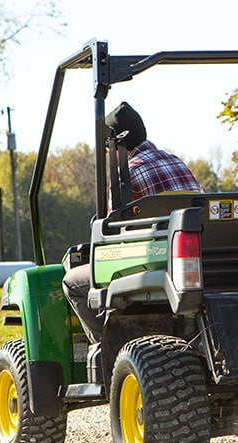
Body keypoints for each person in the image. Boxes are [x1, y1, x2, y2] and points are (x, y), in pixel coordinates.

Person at [64, 102, 202, 343]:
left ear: (117, 144)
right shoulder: (176, 161)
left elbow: (111, 236)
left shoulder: (127, 173)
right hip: (192, 259)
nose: (108, 155)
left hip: (155, 262)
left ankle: (105, 349)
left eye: (107, 150)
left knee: (73, 282)